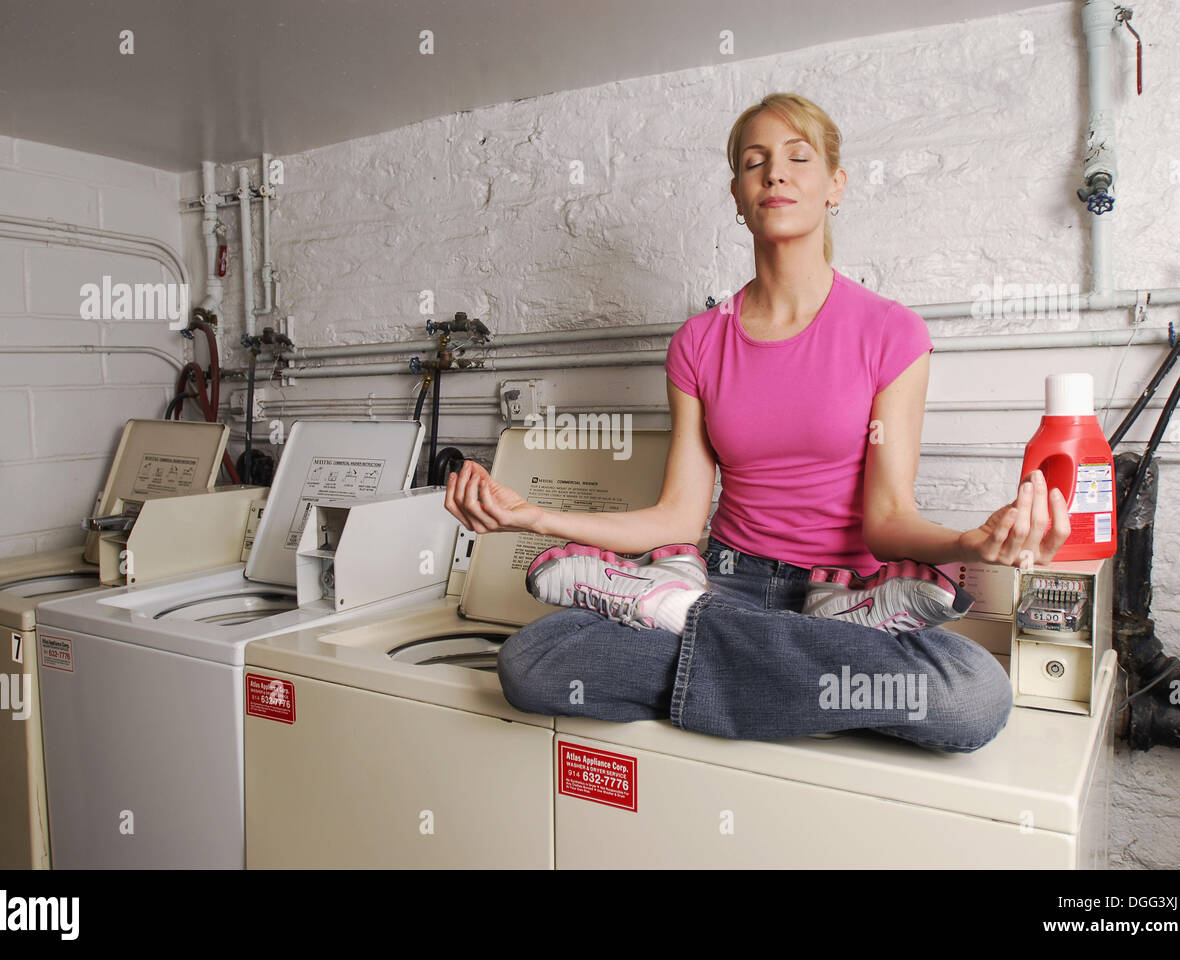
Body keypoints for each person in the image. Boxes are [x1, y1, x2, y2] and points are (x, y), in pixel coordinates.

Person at [443, 92, 1071, 752]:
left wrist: (971, 543)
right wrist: (536, 518)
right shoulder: (698, 343)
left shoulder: (891, 332)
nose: (775, 173)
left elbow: (887, 523)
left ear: (835, 185)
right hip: (726, 580)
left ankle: (687, 618)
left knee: (972, 696)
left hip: (843, 590)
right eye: (754, 162)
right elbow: (679, 519)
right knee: (533, 662)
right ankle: (736, 626)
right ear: (738, 196)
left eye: (798, 157)